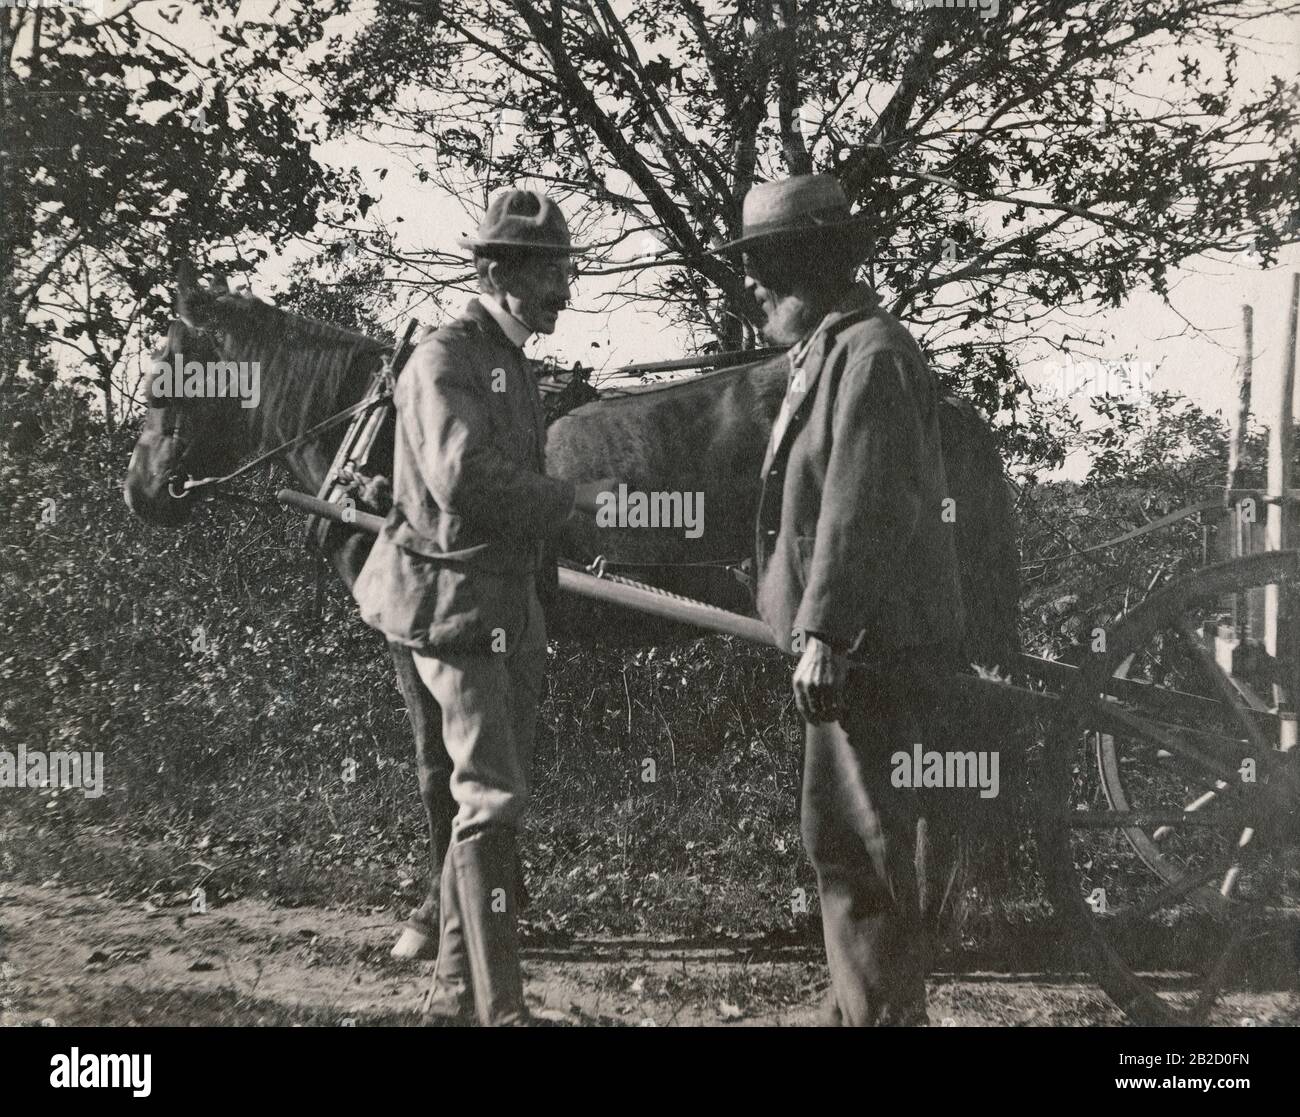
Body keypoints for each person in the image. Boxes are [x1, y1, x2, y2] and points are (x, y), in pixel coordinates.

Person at [352, 188, 614, 1026]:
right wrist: (569, 501)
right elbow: (461, 483)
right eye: (551, 275)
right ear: (499, 272)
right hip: (455, 607)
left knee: (486, 802)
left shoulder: (506, 359)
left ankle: (459, 1001)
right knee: (491, 802)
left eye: (567, 272)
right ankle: (499, 1012)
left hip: (503, 607)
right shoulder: (443, 358)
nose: (566, 292)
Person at [719, 173, 965, 1026]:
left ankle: (884, 1018)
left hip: (876, 647)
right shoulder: (831, 352)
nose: (750, 285)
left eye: (765, 266)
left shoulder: (874, 355)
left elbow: (862, 504)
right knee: (842, 840)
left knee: (866, 845)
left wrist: (823, 626)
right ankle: (856, 1007)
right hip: (857, 643)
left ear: (809, 265)